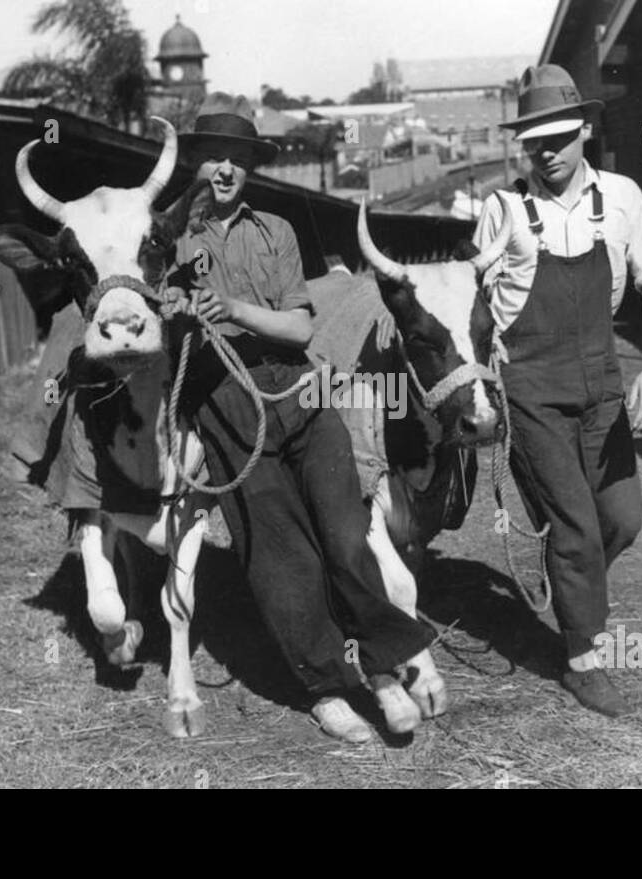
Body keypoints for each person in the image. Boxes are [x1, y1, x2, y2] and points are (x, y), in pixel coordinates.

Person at [163, 94, 437, 741]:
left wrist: (228, 307)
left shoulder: (278, 231)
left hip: (303, 394)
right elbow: (150, 305)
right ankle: (325, 688)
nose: (225, 170)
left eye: (237, 159)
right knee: (284, 558)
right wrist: (175, 308)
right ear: (197, 164)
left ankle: (382, 669)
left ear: (251, 166)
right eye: (213, 158)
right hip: (227, 402)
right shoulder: (173, 239)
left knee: (346, 535)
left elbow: (297, 325)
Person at [474, 65, 642, 717]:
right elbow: (471, 301)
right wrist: (481, 353)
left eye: (558, 137)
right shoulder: (502, 210)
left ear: (584, 130)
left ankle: (570, 580)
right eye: (533, 141)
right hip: (530, 390)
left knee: (622, 517)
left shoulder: (621, 198)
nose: (546, 152)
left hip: (602, 388)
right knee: (576, 526)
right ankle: (583, 660)